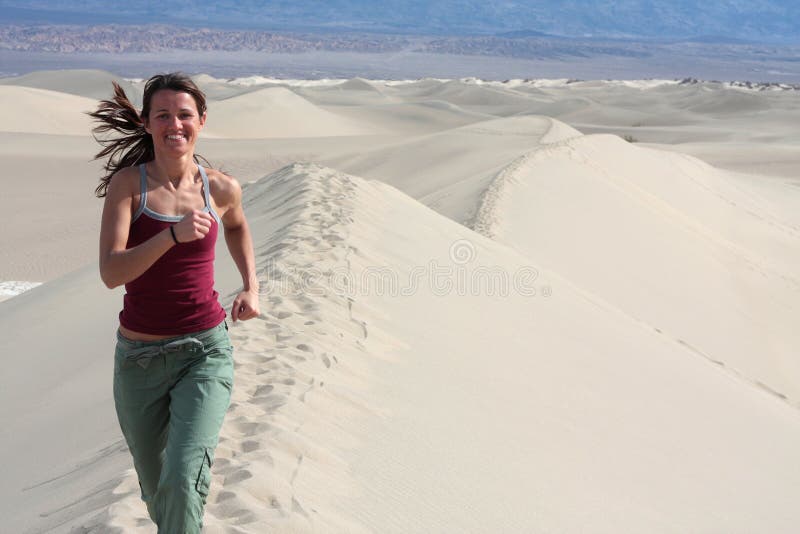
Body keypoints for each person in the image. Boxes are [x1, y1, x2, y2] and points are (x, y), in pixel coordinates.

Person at [91, 72, 259, 533]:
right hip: (139, 361)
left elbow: (239, 225)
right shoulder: (129, 186)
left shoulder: (220, 188)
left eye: (185, 115)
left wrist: (251, 285)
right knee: (158, 488)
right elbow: (111, 272)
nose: (175, 124)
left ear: (201, 121)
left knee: (184, 481)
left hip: (203, 352)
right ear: (146, 122)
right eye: (162, 115)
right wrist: (171, 235)